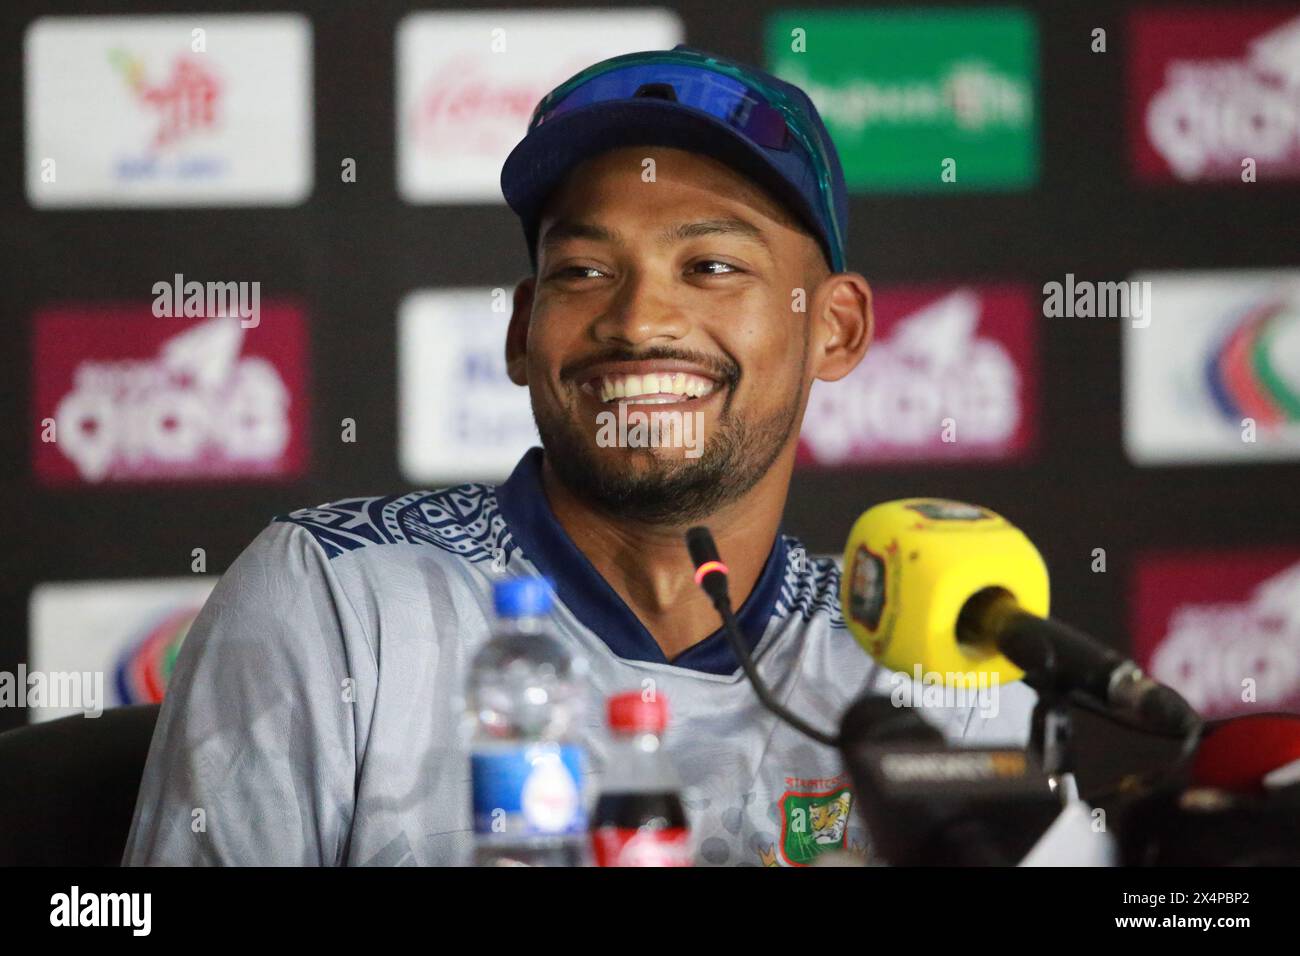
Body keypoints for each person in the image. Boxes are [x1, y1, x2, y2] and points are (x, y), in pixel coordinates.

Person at [123, 45, 1038, 867]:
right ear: (524, 331)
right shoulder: (337, 598)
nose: (638, 321)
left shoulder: (935, 654)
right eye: (585, 272)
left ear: (835, 329)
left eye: (712, 267)